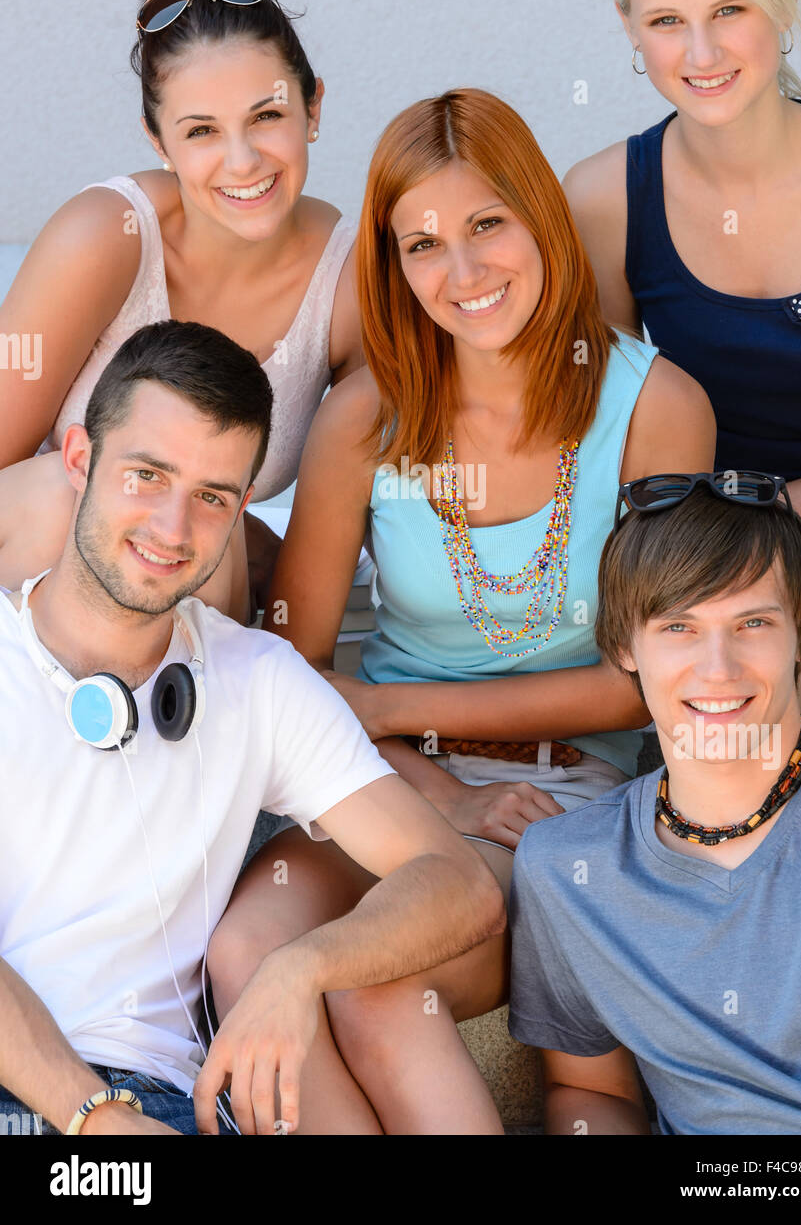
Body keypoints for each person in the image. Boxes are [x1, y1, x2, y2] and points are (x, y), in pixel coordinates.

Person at [203, 86, 715, 1135]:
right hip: (375, 782)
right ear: (391, 268)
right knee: (242, 952)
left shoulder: (658, 407)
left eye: (488, 224)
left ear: (540, 216)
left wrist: (395, 714)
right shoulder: (361, 420)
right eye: (421, 244)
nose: (464, 272)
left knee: (381, 977)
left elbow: (642, 684)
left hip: (562, 790)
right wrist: (431, 783)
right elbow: (291, 676)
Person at [0, 320, 504, 1137]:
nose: (172, 529)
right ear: (80, 461)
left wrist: (301, 966)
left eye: (212, 497)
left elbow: (458, 884)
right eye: (147, 475)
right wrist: (90, 1118)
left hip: (161, 1103)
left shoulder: (259, 680)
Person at [562, 0, 801, 711]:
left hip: (760, 541)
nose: (700, 53)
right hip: (725, 572)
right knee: (758, 689)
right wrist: (726, 551)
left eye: (728, 9)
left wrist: (749, 520)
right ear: (627, 27)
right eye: (666, 19)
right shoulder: (604, 201)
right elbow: (606, 446)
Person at [0, 0, 365, 624]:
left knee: (214, 535)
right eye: (200, 131)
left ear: (312, 109)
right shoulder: (106, 238)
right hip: (35, 599)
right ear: (158, 141)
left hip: (195, 626)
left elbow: (352, 512)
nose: (242, 161)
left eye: (267, 116)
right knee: (71, 492)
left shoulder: (350, 280)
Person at [508, 472, 801, 1136]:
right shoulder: (567, 866)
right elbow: (590, 1092)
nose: (718, 668)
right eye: (678, 626)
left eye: (752, 623)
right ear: (622, 646)